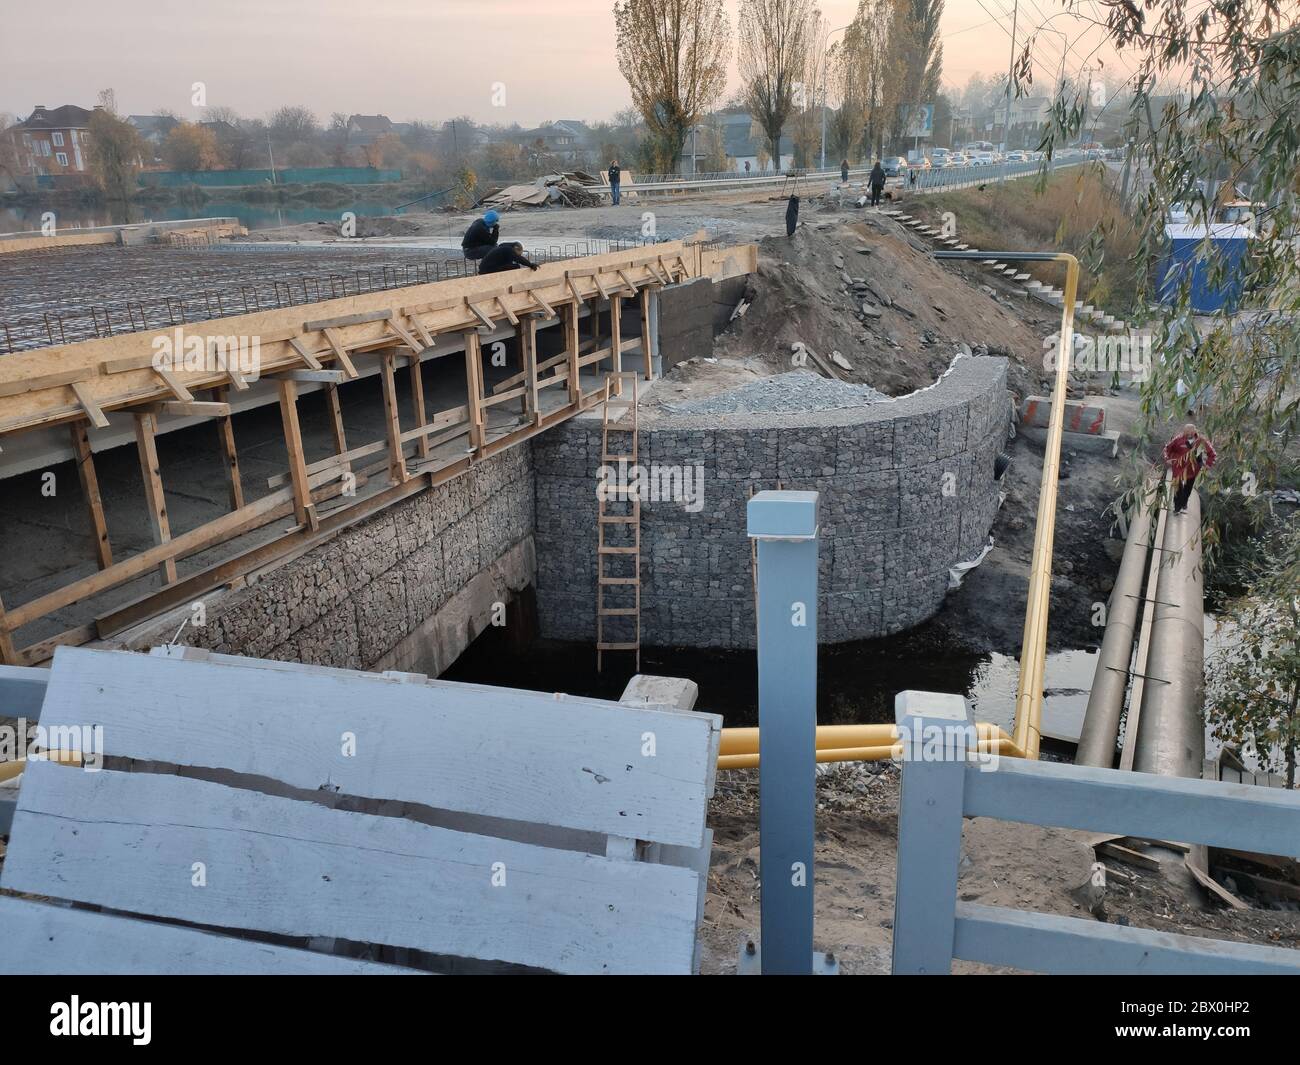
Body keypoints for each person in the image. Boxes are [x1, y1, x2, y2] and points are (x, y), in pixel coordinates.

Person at [1163, 422, 1217, 513]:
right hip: (1178, 468)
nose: (1189, 434)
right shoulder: (1178, 439)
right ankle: (1177, 507)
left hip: (1192, 470)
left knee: (1188, 488)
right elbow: (1167, 448)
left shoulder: (1201, 441)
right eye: (1186, 432)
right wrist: (1167, 458)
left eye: (1191, 432)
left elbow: (1212, 454)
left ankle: (1184, 502)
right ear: (1184, 431)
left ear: (1195, 431)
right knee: (1178, 488)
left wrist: (1208, 464)